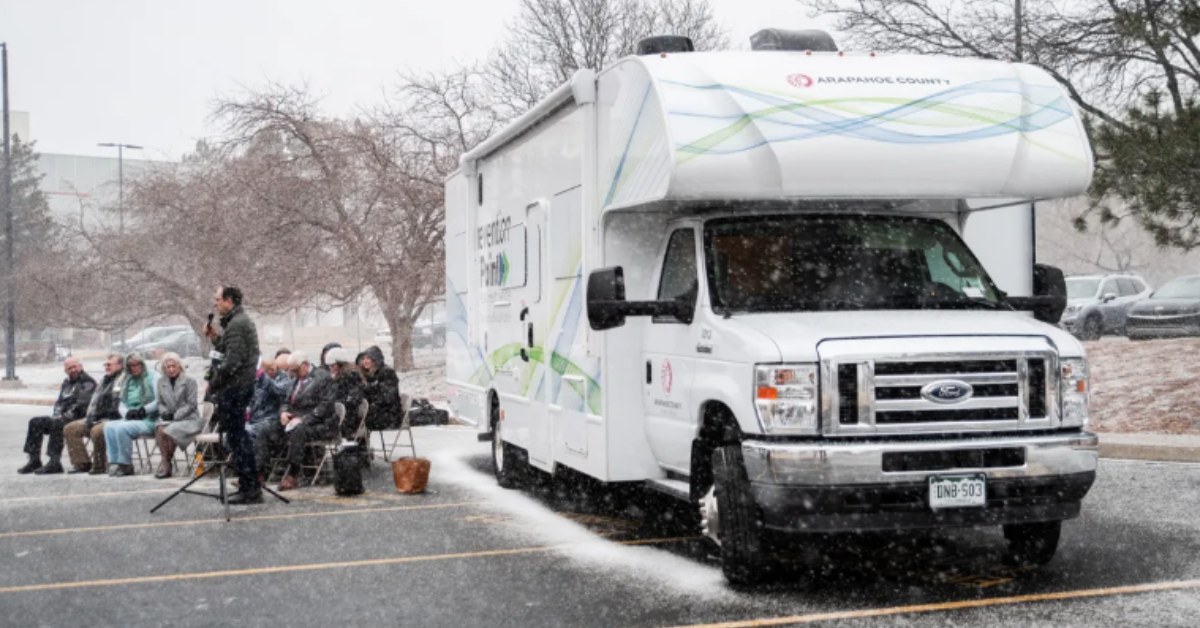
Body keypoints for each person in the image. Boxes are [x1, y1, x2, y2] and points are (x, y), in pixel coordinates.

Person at [204, 286, 263, 504]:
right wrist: (214, 337)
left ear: (229, 301)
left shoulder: (238, 323)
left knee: (237, 437)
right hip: (238, 386)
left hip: (236, 388)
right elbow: (230, 349)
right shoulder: (236, 323)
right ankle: (249, 484)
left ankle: (250, 486)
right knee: (236, 436)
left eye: (218, 299)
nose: (215, 303)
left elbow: (232, 361)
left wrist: (215, 381)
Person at [254, 351, 336, 491]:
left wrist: (303, 419)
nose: (292, 373)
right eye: (290, 370)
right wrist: (283, 412)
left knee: (298, 430)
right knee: (264, 429)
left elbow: (325, 406)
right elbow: (286, 402)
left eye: (295, 370)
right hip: (293, 421)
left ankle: (293, 475)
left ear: (305, 365)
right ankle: (259, 473)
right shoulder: (294, 379)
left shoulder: (323, 378)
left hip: (319, 424)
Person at [18, 357, 97, 475]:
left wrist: (63, 417)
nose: (73, 370)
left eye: (74, 367)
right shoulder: (66, 383)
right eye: (69, 368)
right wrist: (57, 414)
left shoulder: (88, 382)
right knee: (35, 422)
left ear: (80, 367)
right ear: (65, 371)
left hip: (78, 418)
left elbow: (81, 405)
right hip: (62, 418)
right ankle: (34, 460)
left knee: (58, 423)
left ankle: (55, 462)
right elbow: (59, 403)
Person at [63, 354, 125, 474]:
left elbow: (118, 404)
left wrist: (102, 416)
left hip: (113, 418)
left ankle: (99, 465)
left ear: (120, 365)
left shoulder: (123, 380)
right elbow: (94, 401)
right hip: (98, 416)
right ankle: (82, 463)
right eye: (105, 365)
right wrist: (91, 415)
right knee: (70, 428)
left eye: (109, 365)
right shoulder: (104, 380)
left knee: (96, 431)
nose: (106, 367)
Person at [103, 353, 158, 477]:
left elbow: (159, 400)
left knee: (122, 428)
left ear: (142, 364)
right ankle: (114, 462)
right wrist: (126, 413)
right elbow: (121, 402)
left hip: (149, 418)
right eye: (132, 366)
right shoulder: (127, 380)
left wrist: (144, 410)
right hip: (132, 416)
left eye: (137, 365)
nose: (135, 368)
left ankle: (125, 464)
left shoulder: (153, 376)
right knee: (109, 427)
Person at [153, 353, 202, 479]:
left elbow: (191, 404)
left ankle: (166, 465)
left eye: (173, 366)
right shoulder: (161, 382)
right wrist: (165, 413)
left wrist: (175, 416)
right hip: (170, 418)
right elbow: (159, 402)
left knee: (170, 430)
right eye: (168, 367)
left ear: (179, 366)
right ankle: (166, 463)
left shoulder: (189, 381)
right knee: (160, 429)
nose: (171, 369)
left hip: (189, 419)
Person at [358, 345, 402, 433]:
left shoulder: (387, 372)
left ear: (375, 359)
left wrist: (370, 407)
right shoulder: (369, 374)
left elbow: (387, 398)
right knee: (354, 418)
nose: (364, 361)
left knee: (357, 422)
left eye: (368, 358)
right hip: (377, 412)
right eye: (363, 359)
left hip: (389, 416)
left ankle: (359, 440)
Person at [247, 356, 289, 442]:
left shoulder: (283, 378)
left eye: (273, 368)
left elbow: (278, 390)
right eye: (268, 369)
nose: (272, 371)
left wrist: (264, 377)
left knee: (250, 433)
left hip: (272, 419)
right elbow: (252, 400)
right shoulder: (257, 380)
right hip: (255, 419)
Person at [325, 347, 364, 439]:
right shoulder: (335, 377)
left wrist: (334, 404)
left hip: (348, 417)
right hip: (339, 413)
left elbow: (352, 399)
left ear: (340, 364)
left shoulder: (351, 376)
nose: (331, 369)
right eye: (330, 366)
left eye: (333, 366)